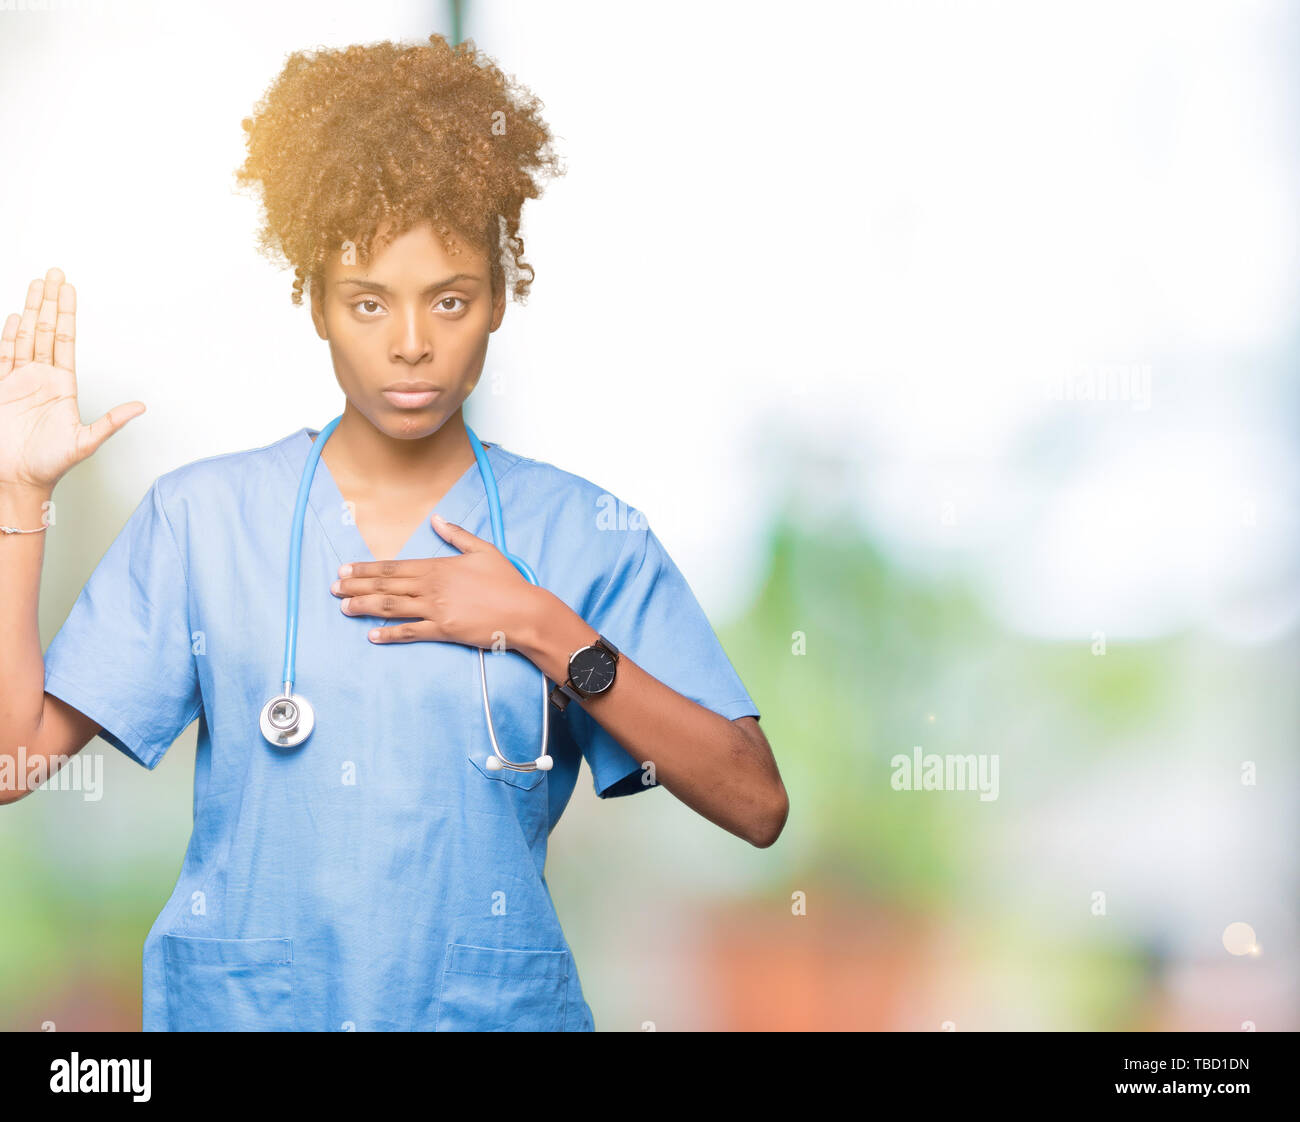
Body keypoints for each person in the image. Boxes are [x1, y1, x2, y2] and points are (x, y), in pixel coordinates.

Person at [0, 33, 786, 1032]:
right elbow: (13, 761)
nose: (411, 344)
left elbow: (755, 803)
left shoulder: (585, 535)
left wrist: (544, 628)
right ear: (314, 303)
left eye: (449, 300)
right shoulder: (202, 522)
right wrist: (16, 498)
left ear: (498, 299)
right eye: (367, 301)